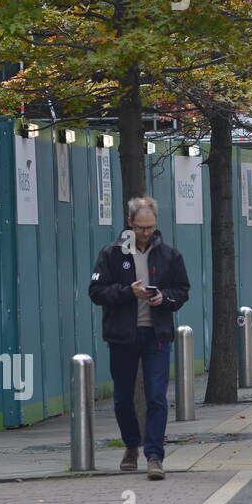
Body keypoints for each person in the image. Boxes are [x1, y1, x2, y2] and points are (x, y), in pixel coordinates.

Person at [88, 196, 190, 481]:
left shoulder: (169, 255)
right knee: (123, 399)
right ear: (130, 222)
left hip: (156, 334)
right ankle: (131, 444)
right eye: (141, 227)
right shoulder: (111, 253)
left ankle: (154, 456)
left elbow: (182, 291)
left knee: (157, 396)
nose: (146, 233)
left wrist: (164, 298)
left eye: (151, 227)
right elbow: (95, 292)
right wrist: (126, 292)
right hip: (122, 335)